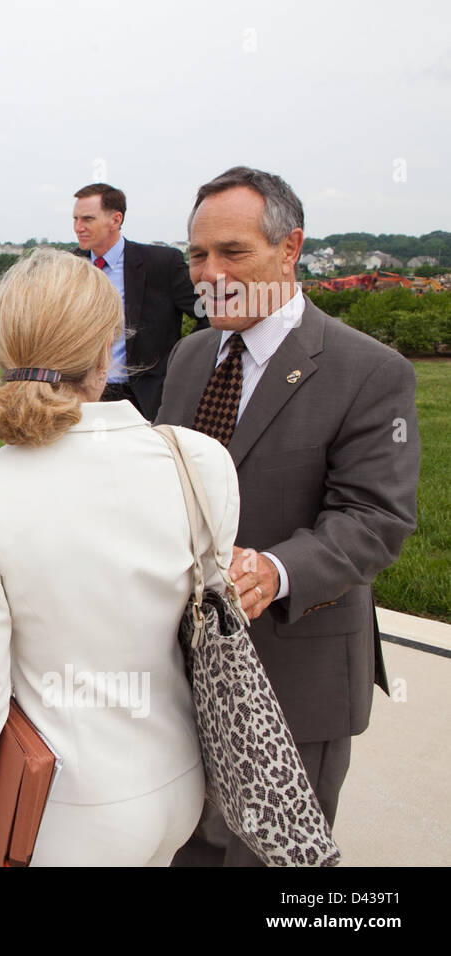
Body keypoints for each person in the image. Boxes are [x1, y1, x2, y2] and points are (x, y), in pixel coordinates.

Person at [0, 249, 239, 866]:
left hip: (66, 812)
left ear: (5, 349)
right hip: (181, 783)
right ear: (107, 348)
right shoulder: (198, 459)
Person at [157, 167, 420, 866]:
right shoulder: (188, 357)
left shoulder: (368, 371)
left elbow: (376, 517)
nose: (209, 273)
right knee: (194, 846)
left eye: (232, 252)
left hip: (294, 677)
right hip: (182, 666)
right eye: (196, 255)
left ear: (290, 247)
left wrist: (275, 571)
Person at [71, 182, 203, 419]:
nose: (78, 227)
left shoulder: (162, 264)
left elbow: (207, 313)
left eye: (87, 219)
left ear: (116, 219)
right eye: (75, 219)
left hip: (145, 396)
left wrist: (183, 359)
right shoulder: (66, 267)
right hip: (81, 396)